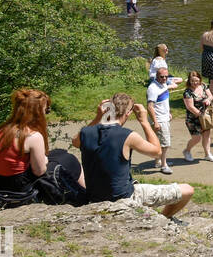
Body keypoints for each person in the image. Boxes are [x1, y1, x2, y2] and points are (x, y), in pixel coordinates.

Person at [72, 93, 194, 222]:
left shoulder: (86, 133)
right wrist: (144, 121)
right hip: (124, 197)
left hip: (95, 197)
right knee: (187, 190)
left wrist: (98, 117)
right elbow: (157, 152)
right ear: (128, 113)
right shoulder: (128, 135)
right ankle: (164, 219)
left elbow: (75, 142)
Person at [0, 88, 85, 202]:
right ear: (37, 112)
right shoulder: (32, 136)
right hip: (21, 190)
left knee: (59, 153)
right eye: (46, 110)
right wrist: (44, 160)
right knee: (70, 160)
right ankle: (83, 194)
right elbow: (39, 171)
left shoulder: (3, 130)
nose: (46, 114)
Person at [182, 71, 213, 163]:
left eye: (197, 81)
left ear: (200, 79)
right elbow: (190, 107)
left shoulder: (203, 86)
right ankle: (187, 151)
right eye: (192, 81)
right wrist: (200, 114)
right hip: (193, 119)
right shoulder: (187, 92)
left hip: (205, 116)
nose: (195, 83)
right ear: (189, 81)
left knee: (207, 135)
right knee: (196, 138)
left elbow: (210, 96)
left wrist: (208, 99)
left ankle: (207, 154)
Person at [145, 62, 174, 174]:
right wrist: (156, 122)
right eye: (162, 77)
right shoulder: (153, 88)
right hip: (159, 120)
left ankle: (158, 161)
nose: (164, 78)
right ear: (156, 76)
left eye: (166, 76)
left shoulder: (163, 85)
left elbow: (163, 102)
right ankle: (164, 165)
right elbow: (150, 106)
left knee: (159, 142)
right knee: (165, 144)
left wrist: (168, 113)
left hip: (164, 117)